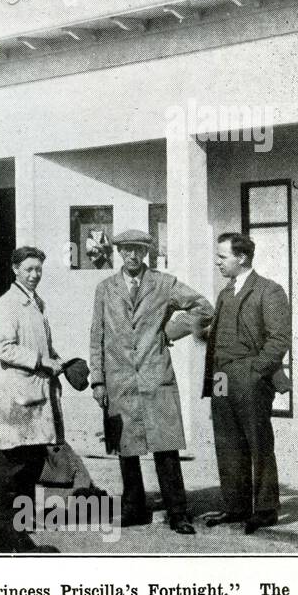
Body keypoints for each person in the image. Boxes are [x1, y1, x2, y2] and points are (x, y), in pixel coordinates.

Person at [90, 229, 214, 535]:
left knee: (166, 447)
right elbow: (97, 335)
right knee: (126, 448)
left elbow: (203, 307)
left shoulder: (163, 283)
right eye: (127, 250)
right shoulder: (105, 288)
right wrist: (98, 380)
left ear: (147, 253)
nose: (133, 256)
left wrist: (170, 331)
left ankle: (178, 512)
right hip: (118, 378)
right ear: (118, 252)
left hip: (155, 374)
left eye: (139, 250)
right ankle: (134, 508)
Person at [202, 232, 291, 534]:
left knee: (258, 442)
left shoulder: (270, 291)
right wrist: (215, 381)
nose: (218, 262)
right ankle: (236, 506)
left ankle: (265, 509)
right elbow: (216, 340)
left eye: (222, 257)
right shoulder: (225, 293)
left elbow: (279, 339)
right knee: (226, 441)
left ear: (241, 258)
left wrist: (255, 372)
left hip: (250, 378)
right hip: (221, 378)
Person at [0, 246, 64, 553]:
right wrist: (41, 361)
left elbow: (42, 345)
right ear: (15, 269)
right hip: (17, 396)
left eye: (39, 269)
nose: (35, 275)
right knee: (14, 466)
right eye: (29, 269)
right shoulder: (6, 306)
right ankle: (7, 533)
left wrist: (58, 360)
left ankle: (19, 532)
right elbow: (2, 349)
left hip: (35, 393)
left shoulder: (36, 304)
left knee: (30, 464)